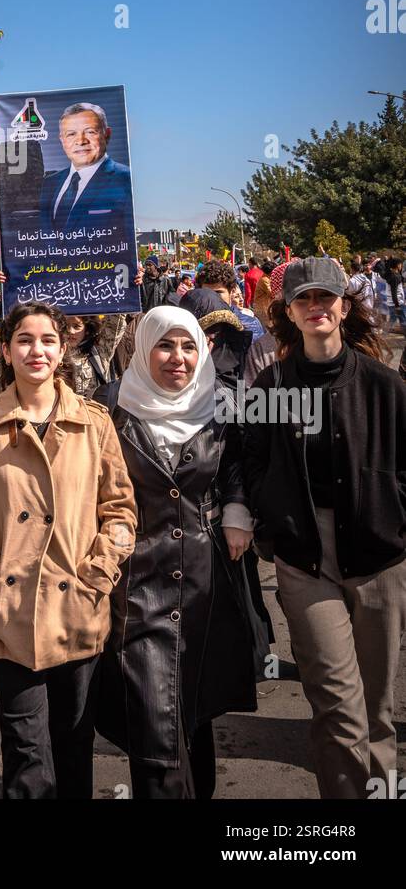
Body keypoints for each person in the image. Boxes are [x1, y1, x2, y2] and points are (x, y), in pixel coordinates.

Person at [0, 300, 136, 798]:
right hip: (11, 615)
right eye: (25, 340)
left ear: (63, 347)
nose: (37, 350)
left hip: (78, 610)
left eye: (48, 340)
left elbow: (120, 509)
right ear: (6, 350)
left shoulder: (94, 424)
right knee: (26, 754)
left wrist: (100, 571)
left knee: (74, 747)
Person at [244, 257, 406, 800]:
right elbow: (252, 463)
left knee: (378, 709)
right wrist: (273, 528)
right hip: (304, 559)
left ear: (343, 305)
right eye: (304, 299)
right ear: (288, 311)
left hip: (379, 555)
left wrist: (395, 516)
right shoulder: (268, 387)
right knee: (338, 706)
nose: (316, 307)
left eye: (325, 298)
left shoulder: (386, 386)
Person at [94, 306, 259, 798]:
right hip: (136, 583)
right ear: (144, 350)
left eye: (188, 346)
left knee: (191, 709)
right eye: (165, 345)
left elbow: (238, 467)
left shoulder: (222, 406)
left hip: (206, 581)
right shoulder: (111, 408)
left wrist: (236, 510)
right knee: (151, 711)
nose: (178, 358)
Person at [39, 103, 133, 236]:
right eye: (71, 134)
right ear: (62, 140)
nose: (81, 141)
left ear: (107, 134)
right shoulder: (49, 184)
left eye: (90, 132)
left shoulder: (125, 180)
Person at [65, 315, 115, 398]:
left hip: (92, 408)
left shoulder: (100, 350)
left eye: (76, 326)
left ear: (86, 329)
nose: (70, 331)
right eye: (66, 326)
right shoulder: (52, 353)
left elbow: (115, 321)